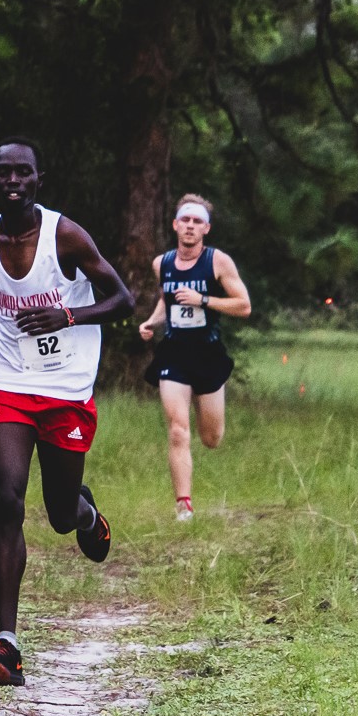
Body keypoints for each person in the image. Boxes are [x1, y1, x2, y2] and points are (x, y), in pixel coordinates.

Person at [0, 137, 135, 688]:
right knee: (8, 499)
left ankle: (85, 514)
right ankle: (8, 645)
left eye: (22, 173)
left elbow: (123, 300)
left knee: (58, 513)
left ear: (37, 180)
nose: (13, 182)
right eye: (3, 173)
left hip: (66, 385)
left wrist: (67, 316)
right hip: (6, 380)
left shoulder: (65, 236)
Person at [137, 194, 253, 522]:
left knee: (211, 438)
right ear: (175, 225)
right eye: (185, 220)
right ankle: (184, 506)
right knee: (177, 430)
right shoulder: (162, 264)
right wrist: (152, 322)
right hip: (174, 354)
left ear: (206, 229)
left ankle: (207, 412)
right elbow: (167, 300)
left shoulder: (218, 262)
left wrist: (203, 299)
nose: (190, 226)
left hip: (208, 354)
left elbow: (244, 306)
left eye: (197, 221)